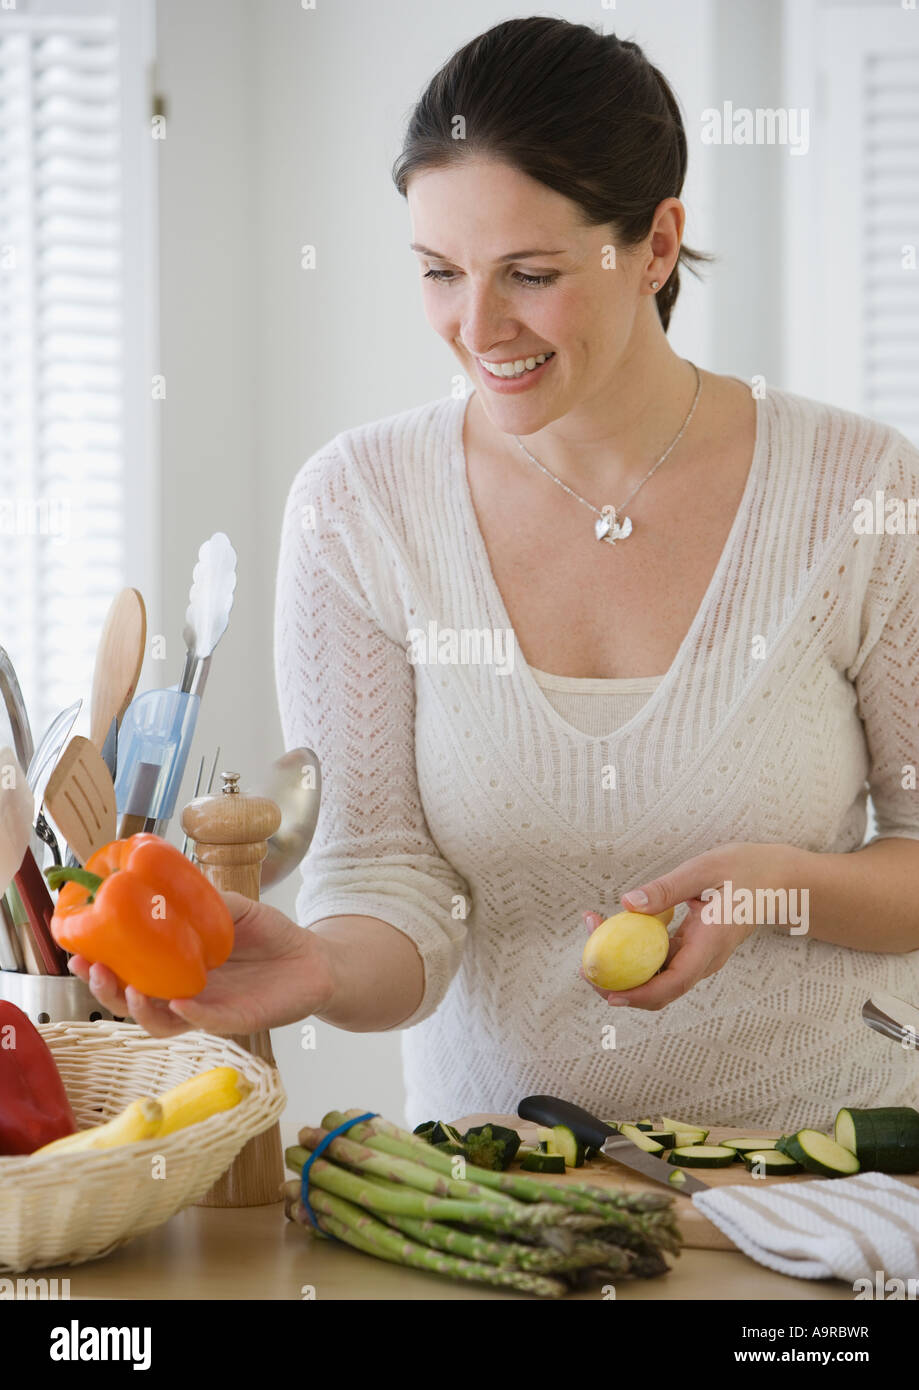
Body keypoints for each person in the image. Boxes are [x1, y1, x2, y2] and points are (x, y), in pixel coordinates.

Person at [73, 16, 919, 1131]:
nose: (477, 328)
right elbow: (390, 884)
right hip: (500, 1187)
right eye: (438, 272)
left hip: (833, 1170)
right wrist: (319, 965)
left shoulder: (858, 488)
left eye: (530, 273)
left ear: (656, 246)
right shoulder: (359, 509)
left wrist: (775, 886)